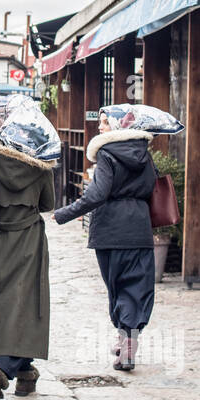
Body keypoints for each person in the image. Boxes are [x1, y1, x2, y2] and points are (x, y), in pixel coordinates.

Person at [52, 105, 158, 372]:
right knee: (136, 287)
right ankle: (128, 340)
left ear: (118, 125)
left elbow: (96, 195)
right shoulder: (145, 155)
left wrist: (64, 213)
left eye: (104, 123)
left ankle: (125, 341)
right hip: (139, 228)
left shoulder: (107, 155)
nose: (99, 128)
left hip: (111, 229)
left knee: (117, 285)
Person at [0, 95, 60, 400]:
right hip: (28, 238)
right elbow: (47, 204)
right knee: (26, 301)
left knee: (1, 301)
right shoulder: (39, 158)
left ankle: (25, 371)